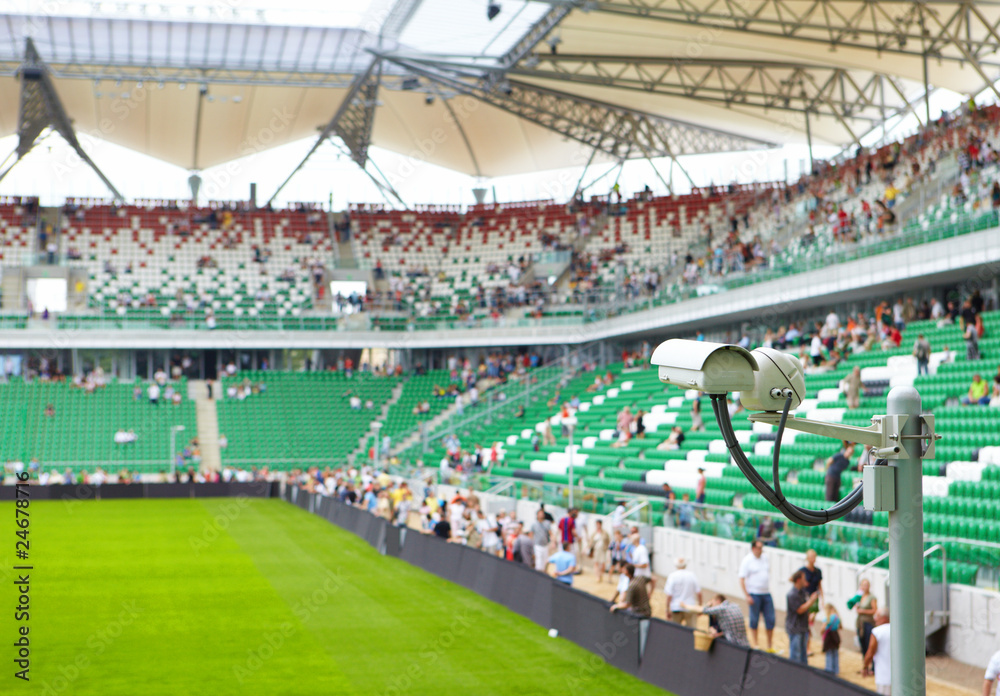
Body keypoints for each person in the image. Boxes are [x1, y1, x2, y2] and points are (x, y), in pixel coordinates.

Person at [738, 539, 775, 652]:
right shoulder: (747, 560)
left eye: (761, 548)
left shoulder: (765, 558)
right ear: (753, 548)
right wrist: (747, 595)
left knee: (770, 619)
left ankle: (769, 645)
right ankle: (755, 643)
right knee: (754, 619)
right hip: (754, 593)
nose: (760, 550)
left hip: (766, 592)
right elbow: (742, 578)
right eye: (759, 548)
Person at [683, 595, 750, 648]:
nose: (712, 606)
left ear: (718, 601)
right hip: (744, 644)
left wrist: (684, 606)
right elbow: (730, 629)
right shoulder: (735, 606)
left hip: (733, 645)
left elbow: (702, 610)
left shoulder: (721, 609)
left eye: (712, 603)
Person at [786, 569, 819, 664]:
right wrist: (812, 601)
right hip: (795, 629)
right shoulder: (792, 594)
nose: (806, 581)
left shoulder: (803, 592)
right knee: (795, 658)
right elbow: (800, 610)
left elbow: (805, 607)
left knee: (803, 657)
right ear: (798, 580)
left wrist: (811, 613)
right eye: (804, 579)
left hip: (803, 628)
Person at [799, 549, 824, 655]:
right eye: (811, 557)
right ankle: (806, 647)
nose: (813, 559)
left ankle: (807, 646)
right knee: (807, 623)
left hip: (814, 600)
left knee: (809, 624)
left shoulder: (818, 571)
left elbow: (820, 586)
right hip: (805, 599)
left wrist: (822, 599)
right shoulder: (802, 571)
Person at [664, 558, 702, 627]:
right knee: (690, 629)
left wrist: (667, 608)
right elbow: (699, 593)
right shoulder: (692, 575)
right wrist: (699, 606)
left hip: (676, 606)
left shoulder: (672, 576)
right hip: (690, 607)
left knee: (675, 629)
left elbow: (669, 595)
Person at [862, 609, 891, 695]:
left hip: (884, 677)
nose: (875, 619)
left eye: (877, 616)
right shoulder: (899, 630)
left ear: (884, 618)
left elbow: (870, 652)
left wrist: (865, 667)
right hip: (900, 677)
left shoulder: (877, 631)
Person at [852, 578, 878, 665]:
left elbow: (874, 610)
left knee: (869, 644)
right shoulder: (859, 597)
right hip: (860, 623)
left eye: (866, 585)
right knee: (862, 644)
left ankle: (872, 665)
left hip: (868, 623)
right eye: (863, 585)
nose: (865, 587)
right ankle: (865, 665)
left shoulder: (871, 597)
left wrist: (863, 611)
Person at [822, 603, 841, 675]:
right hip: (835, 636)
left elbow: (823, 628)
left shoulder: (827, 618)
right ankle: (836, 670)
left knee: (829, 653)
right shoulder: (837, 617)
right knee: (835, 653)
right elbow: (840, 626)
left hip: (829, 637)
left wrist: (822, 633)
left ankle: (829, 669)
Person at [531, 508, 552, 573]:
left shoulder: (547, 523)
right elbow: (531, 534)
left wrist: (553, 542)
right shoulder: (534, 524)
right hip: (537, 545)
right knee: (538, 561)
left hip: (545, 545)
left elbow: (550, 533)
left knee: (545, 561)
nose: (541, 515)